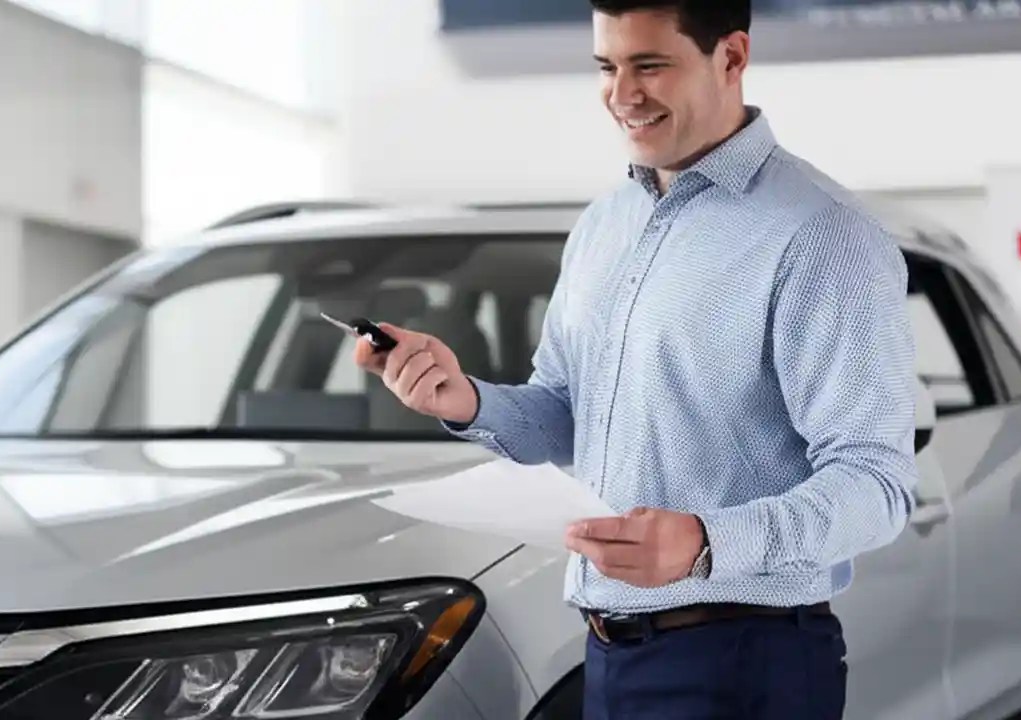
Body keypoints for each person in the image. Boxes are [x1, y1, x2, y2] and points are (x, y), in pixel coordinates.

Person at [355, 0, 919, 716]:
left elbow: (878, 482)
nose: (623, 95)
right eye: (607, 67)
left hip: (745, 664)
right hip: (609, 655)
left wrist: (707, 543)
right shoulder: (602, 227)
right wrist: (463, 399)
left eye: (650, 65)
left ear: (732, 57)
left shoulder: (821, 237)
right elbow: (565, 411)